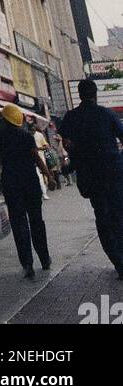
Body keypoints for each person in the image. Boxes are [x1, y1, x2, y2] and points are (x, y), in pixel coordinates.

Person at [61, 78, 123, 279]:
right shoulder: (107, 114)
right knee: (118, 215)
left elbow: (67, 144)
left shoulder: (71, 117)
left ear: (79, 95)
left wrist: (77, 156)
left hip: (90, 175)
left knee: (103, 218)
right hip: (113, 173)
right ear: (95, 94)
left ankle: (118, 261)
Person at [0, 103, 51, 279]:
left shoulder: (0, 137)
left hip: (11, 183)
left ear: (5, 119)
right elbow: (36, 158)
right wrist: (50, 176)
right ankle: (45, 259)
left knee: (19, 223)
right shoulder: (26, 136)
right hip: (30, 182)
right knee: (36, 221)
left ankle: (27, 263)